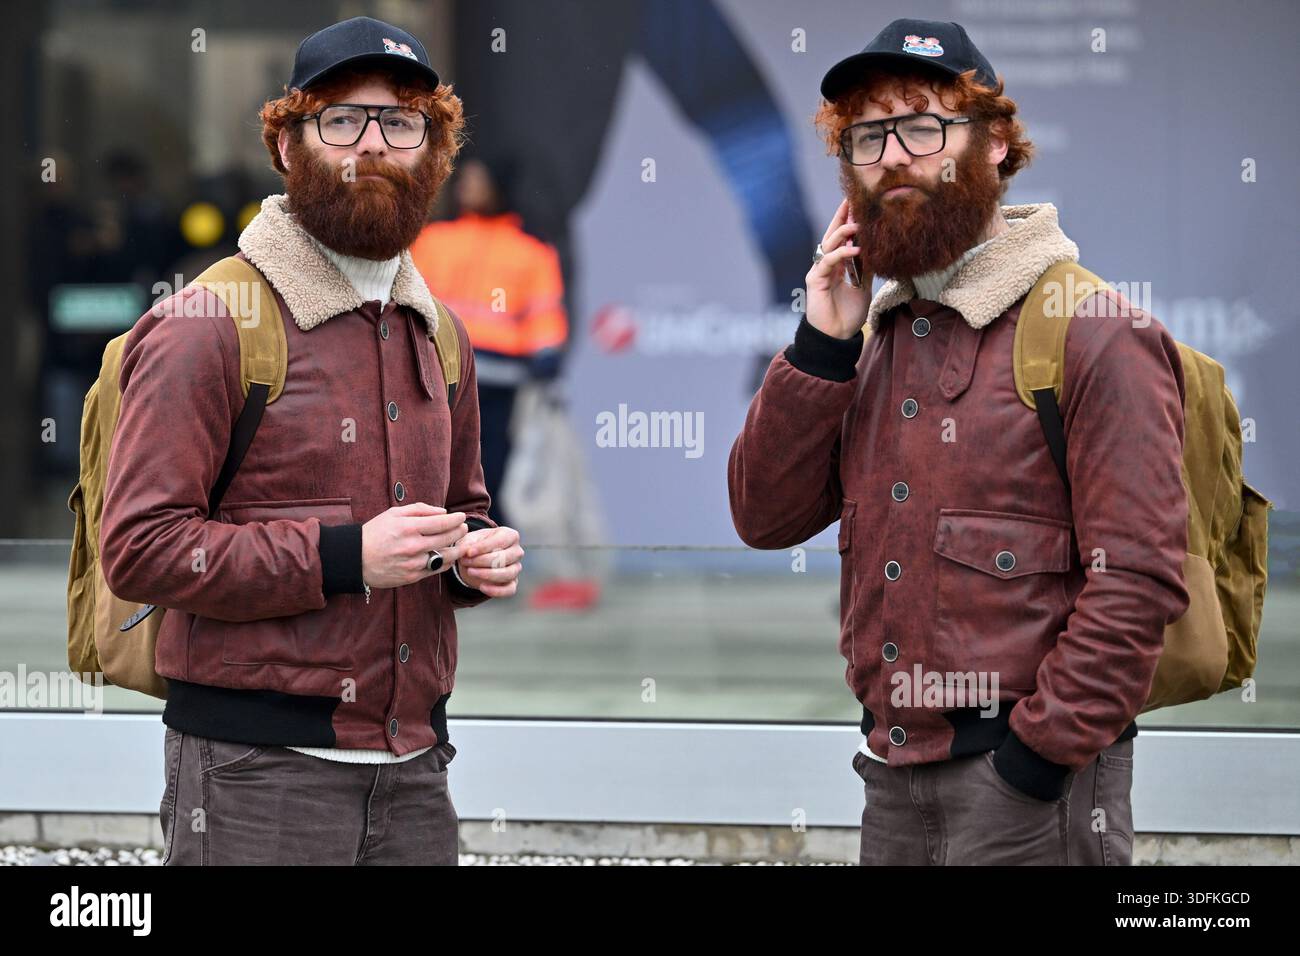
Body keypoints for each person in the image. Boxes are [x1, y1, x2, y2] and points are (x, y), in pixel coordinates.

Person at [727, 18, 1189, 865]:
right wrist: (821, 344)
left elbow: (1141, 584)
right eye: (869, 135)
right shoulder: (872, 333)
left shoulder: (1092, 332)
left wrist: (1034, 766)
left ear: (995, 146)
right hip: (891, 781)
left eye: (924, 126)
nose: (893, 155)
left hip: (1030, 795)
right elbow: (764, 516)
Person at [99, 16, 523, 865]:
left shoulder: (441, 332)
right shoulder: (207, 324)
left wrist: (474, 556)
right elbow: (141, 550)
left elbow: (465, 510)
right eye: (341, 120)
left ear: (433, 152)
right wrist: (344, 557)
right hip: (253, 778)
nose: (372, 144)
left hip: (415, 770)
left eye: (402, 123)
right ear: (288, 146)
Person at [409, 152, 568, 529]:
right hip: (435, 373)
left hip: (497, 381)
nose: (468, 187)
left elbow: (544, 313)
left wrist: (547, 360)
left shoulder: (529, 251)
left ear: (498, 187)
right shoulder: (432, 240)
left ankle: (482, 543)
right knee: (430, 461)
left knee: (490, 466)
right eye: (465, 180)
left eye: (477, 180)